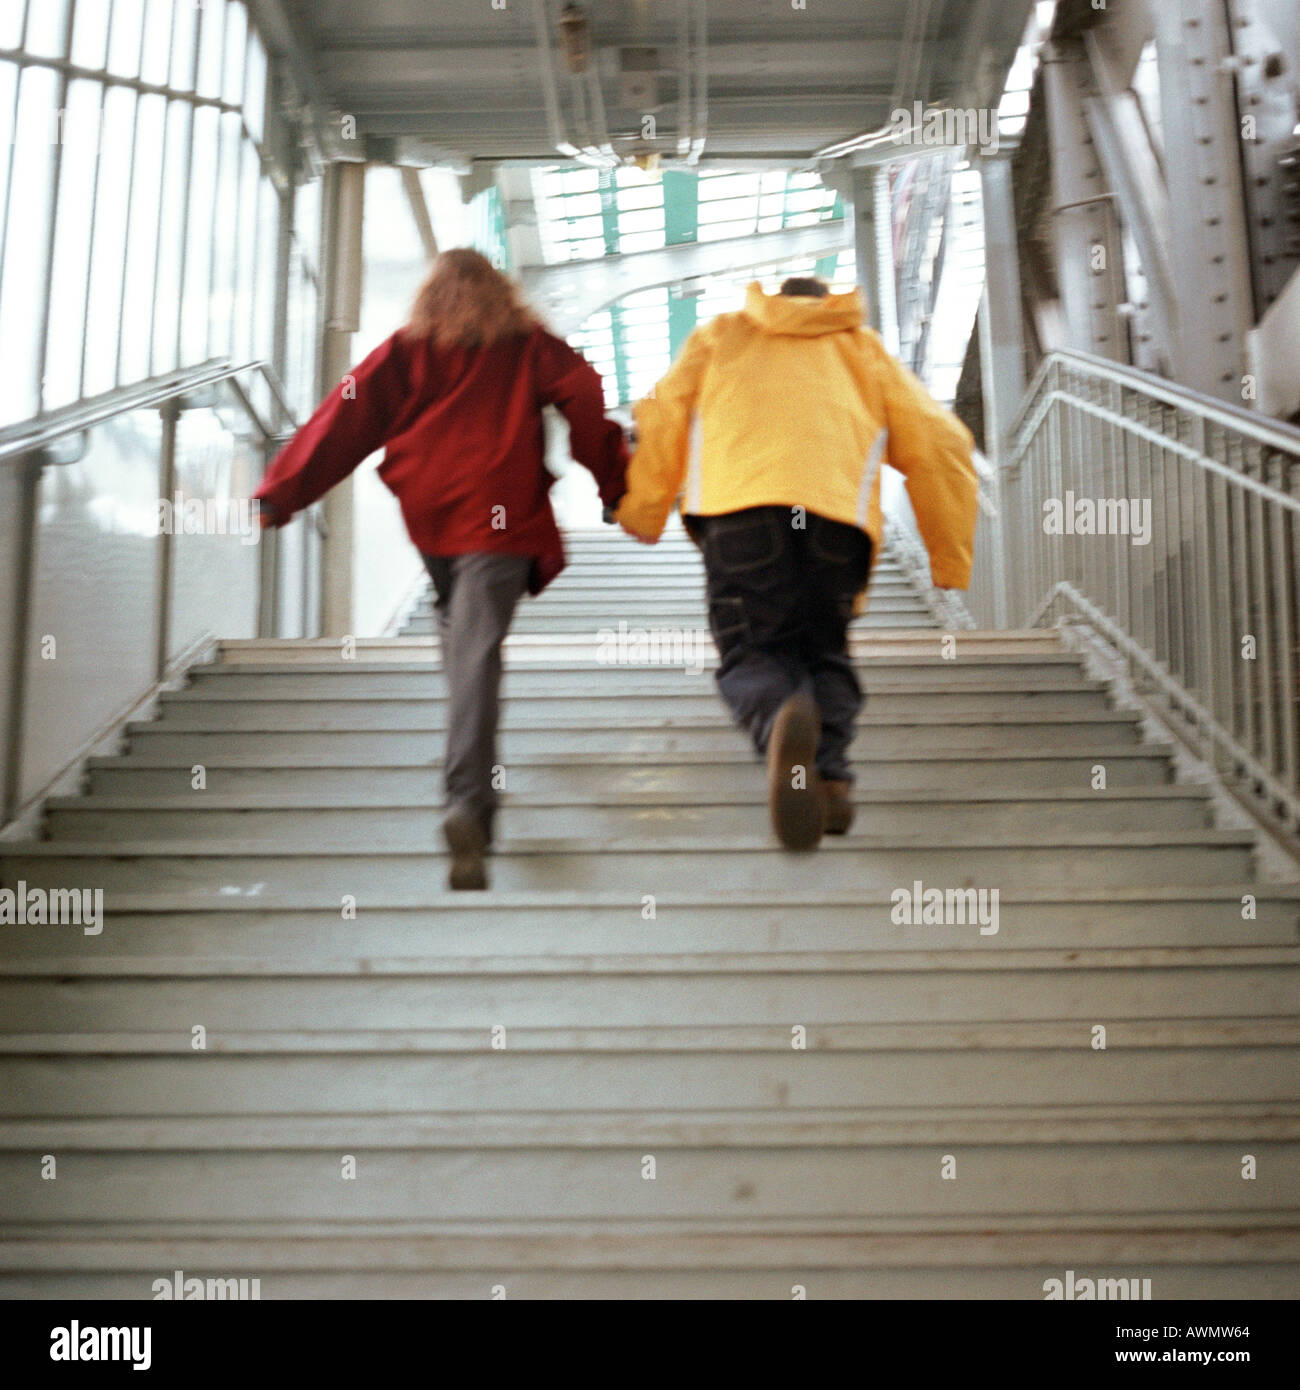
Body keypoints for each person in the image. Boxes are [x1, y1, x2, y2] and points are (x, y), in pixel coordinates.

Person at [254, 249, 629, 890]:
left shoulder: (407, 349)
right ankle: (468, 804)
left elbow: (343, 416)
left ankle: (468, 787)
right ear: (500, 293)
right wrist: (615, 484)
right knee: (476, 655)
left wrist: (283, 491)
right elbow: (586, 396)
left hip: (433, 514)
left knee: (463, 636)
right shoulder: (528, 342)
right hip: (498, 514)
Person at [615, 276, 977, 851]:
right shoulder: (864, 350)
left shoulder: (719, 337)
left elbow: (659, 412)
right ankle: (829, 778)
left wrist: (645, 507)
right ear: (825, 303)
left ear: (776, 298)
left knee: (755, 650)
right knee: (823, 650)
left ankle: (781, 714)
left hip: (742, 517)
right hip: (836, 524)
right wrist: (948, 557)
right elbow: (944, 445)